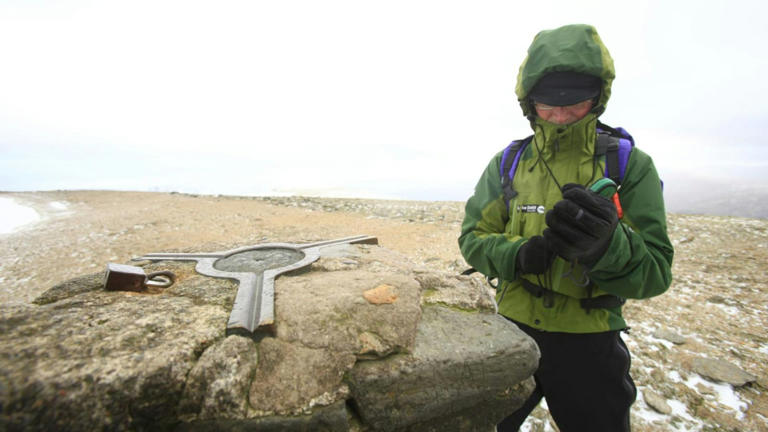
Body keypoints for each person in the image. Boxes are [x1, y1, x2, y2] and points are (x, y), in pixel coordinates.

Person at [458, 24, 673, 431]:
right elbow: (473, 238)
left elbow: (656, 272)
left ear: (597, 98)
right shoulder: (509, 162)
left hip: (589, 340)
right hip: (512, 329)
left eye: (574, 102)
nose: (559, 116)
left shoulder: (629, 165)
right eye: (547, 103)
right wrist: (518, 255)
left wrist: (605, 247)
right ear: (528, 101)